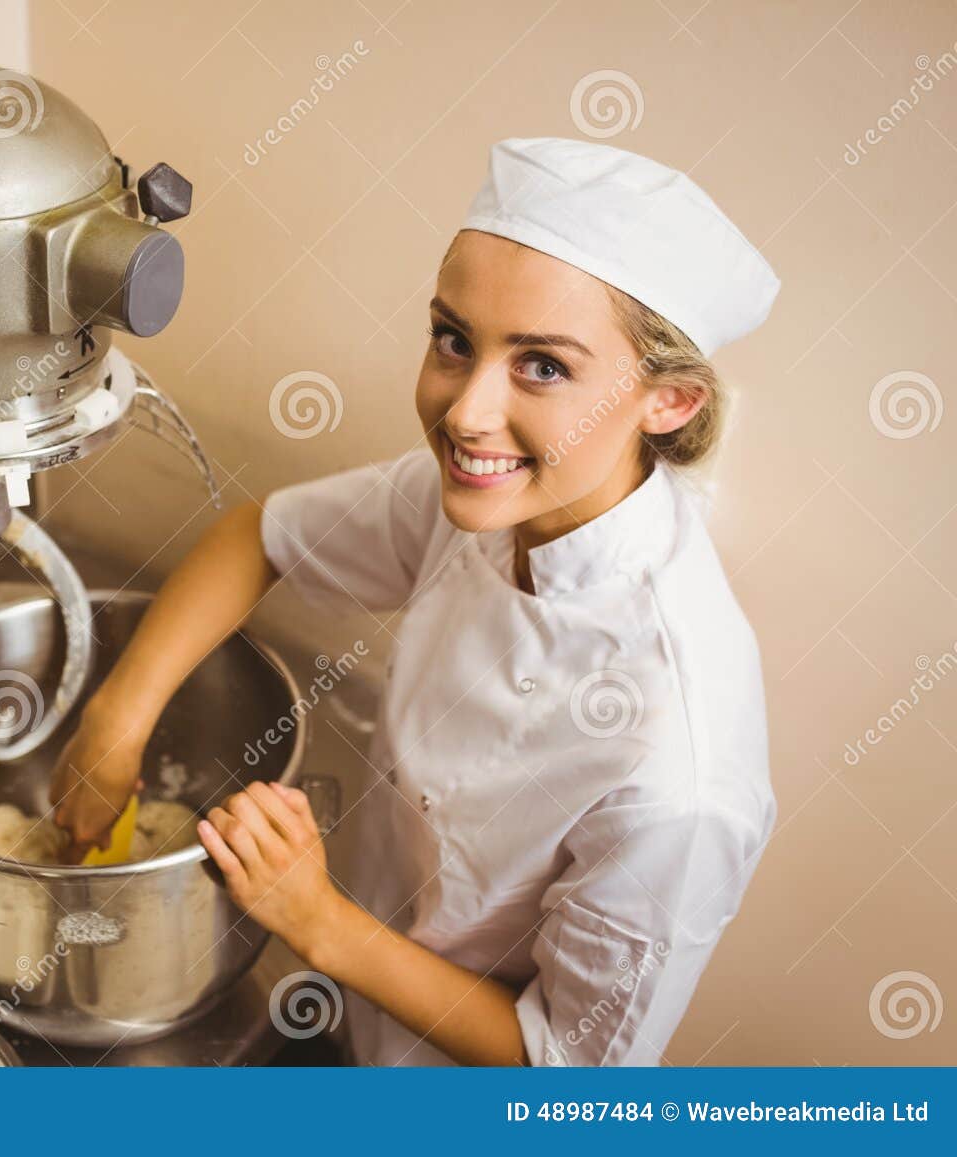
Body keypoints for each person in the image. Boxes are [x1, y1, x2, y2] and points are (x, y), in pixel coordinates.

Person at [49, 137, 781, 1066]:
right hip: (355, 1014)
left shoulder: (678, 775)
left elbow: (568, 1074)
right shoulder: (503, 498)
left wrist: (318, 922)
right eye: (453, 339)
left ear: (666, 402)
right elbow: (258, 538)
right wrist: (115, 723)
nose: (467, 412)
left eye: (543, 366)